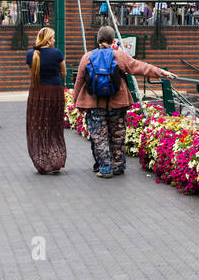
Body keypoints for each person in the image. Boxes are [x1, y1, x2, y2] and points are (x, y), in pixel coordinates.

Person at [73, 26, 174, 178]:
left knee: (99, 137)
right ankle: (118, 166)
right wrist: (160, 72)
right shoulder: (120, 56)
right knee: (118, 135)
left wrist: (77, 102)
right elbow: (140, 67)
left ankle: (105, 168)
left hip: (94, 104)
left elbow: (79, 82)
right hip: (118, 103)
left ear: (98, 40)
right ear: (113, 40)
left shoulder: (87, 57)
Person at [25, 27, 67, 174]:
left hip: (37, 93)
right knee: (54, 126)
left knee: (38, 126)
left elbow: (33, 73)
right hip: (55, 92)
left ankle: (42, 159)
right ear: (49, 40)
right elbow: (63, 73)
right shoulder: (56, 53)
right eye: (53, 38)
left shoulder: (31, 54)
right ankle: (56, 158)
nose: (54, 40)